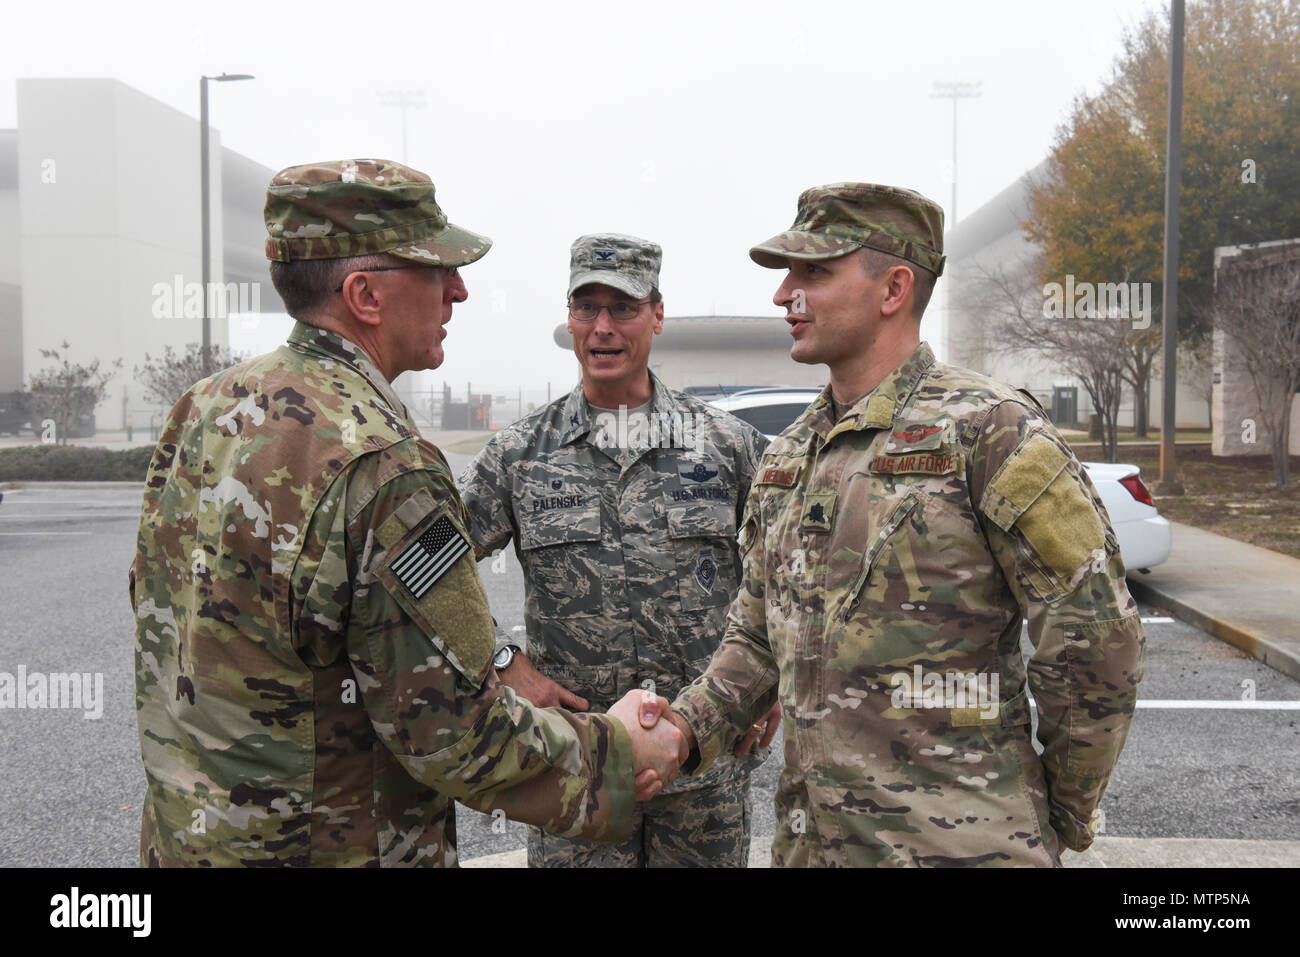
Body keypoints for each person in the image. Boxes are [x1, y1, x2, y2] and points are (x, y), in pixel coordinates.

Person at [129, 160, 683, 868]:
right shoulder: (384, 465)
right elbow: (452, 731)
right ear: (365, 294)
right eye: (437, 271)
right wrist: (614, 753)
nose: (459, 289)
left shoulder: (204, 408)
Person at [663, 182, 1146, 867]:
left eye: (813, 273)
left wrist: (1060, 809)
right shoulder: (788, 456)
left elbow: (1097, 637)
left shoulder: (991, 432)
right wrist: (683, 730)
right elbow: (755, 639)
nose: (784, 295)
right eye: (786, 274)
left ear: (894, 288)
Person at [458, 233, 778, 867]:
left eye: (623, 308)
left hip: (703, 773)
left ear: (657, 315)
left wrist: (765, 687)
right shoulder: (519, 454)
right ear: (569, 317)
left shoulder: (728, 447)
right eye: (586, 308)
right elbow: (428, 563)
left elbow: (787, 577)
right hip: (577, 773)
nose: (602, 328)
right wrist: (501, 659)